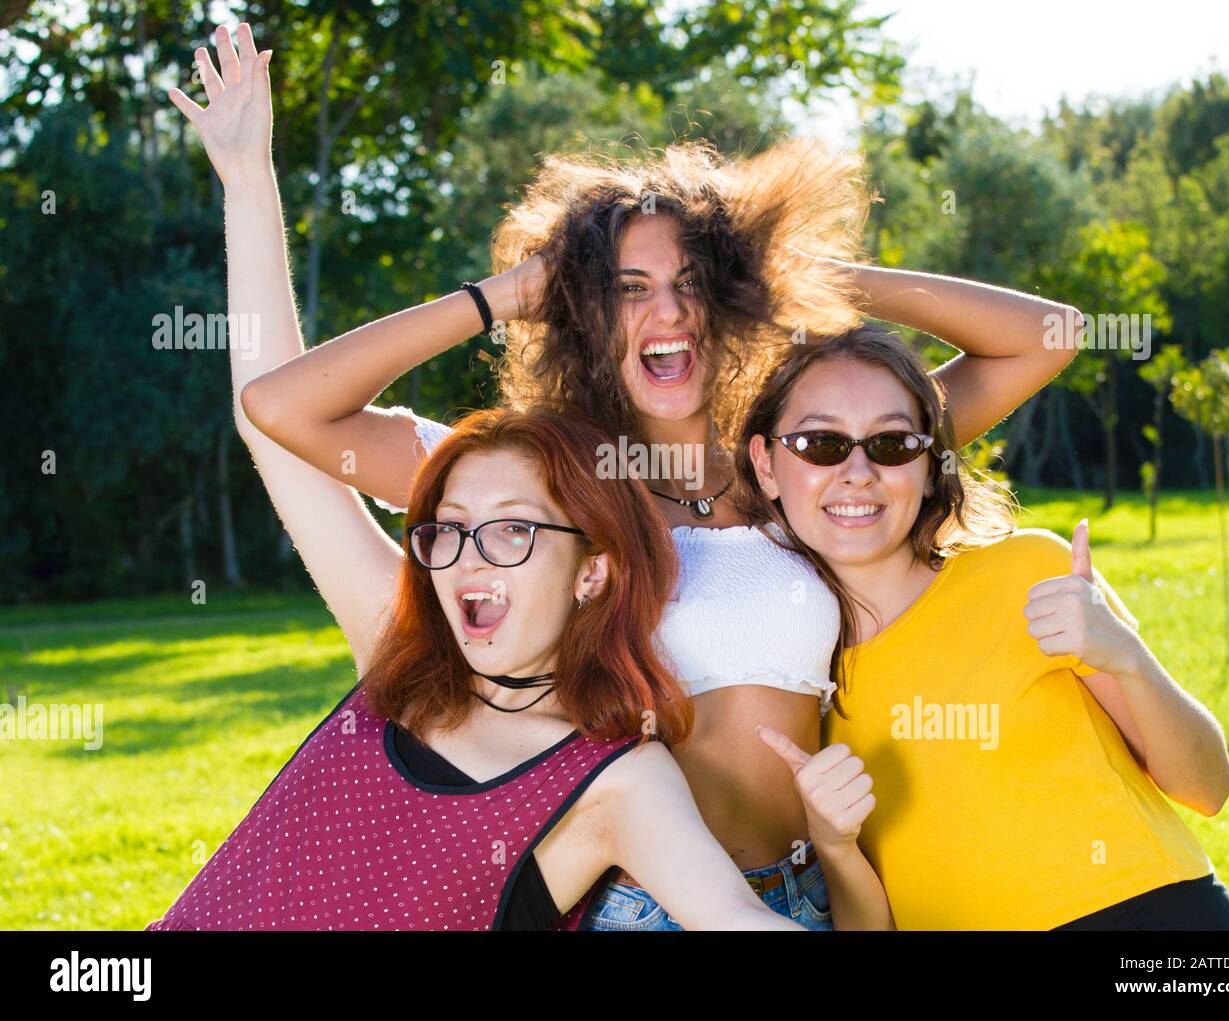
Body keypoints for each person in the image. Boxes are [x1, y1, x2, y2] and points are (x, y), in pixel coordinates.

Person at [177, 21, 1083, 929]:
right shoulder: (544, 485)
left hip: (821, 885)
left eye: (695, 279)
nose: (670, 310)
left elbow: (1045, 339)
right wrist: (500, 296)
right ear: (583, 310)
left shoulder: (805, 463)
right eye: (629, 285)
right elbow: (286, 411)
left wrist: (793, 272)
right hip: (634, 905)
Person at [154, 23, 805, 932]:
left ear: (594, 568)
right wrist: (247, 179)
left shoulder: (611, 779)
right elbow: (275, 417)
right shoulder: (412, 641)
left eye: (510, 533)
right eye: (445, 530)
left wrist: (782, 273)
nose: (467, 556)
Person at [735, 323, 1229, 930]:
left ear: (931, 467)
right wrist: (833, 844)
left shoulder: (1028, 570)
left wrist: (1127, 657)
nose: (858, 472)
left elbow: (1208, 787)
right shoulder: (796, 676)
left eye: (893, 444)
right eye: (822, 443)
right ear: (766, 465)